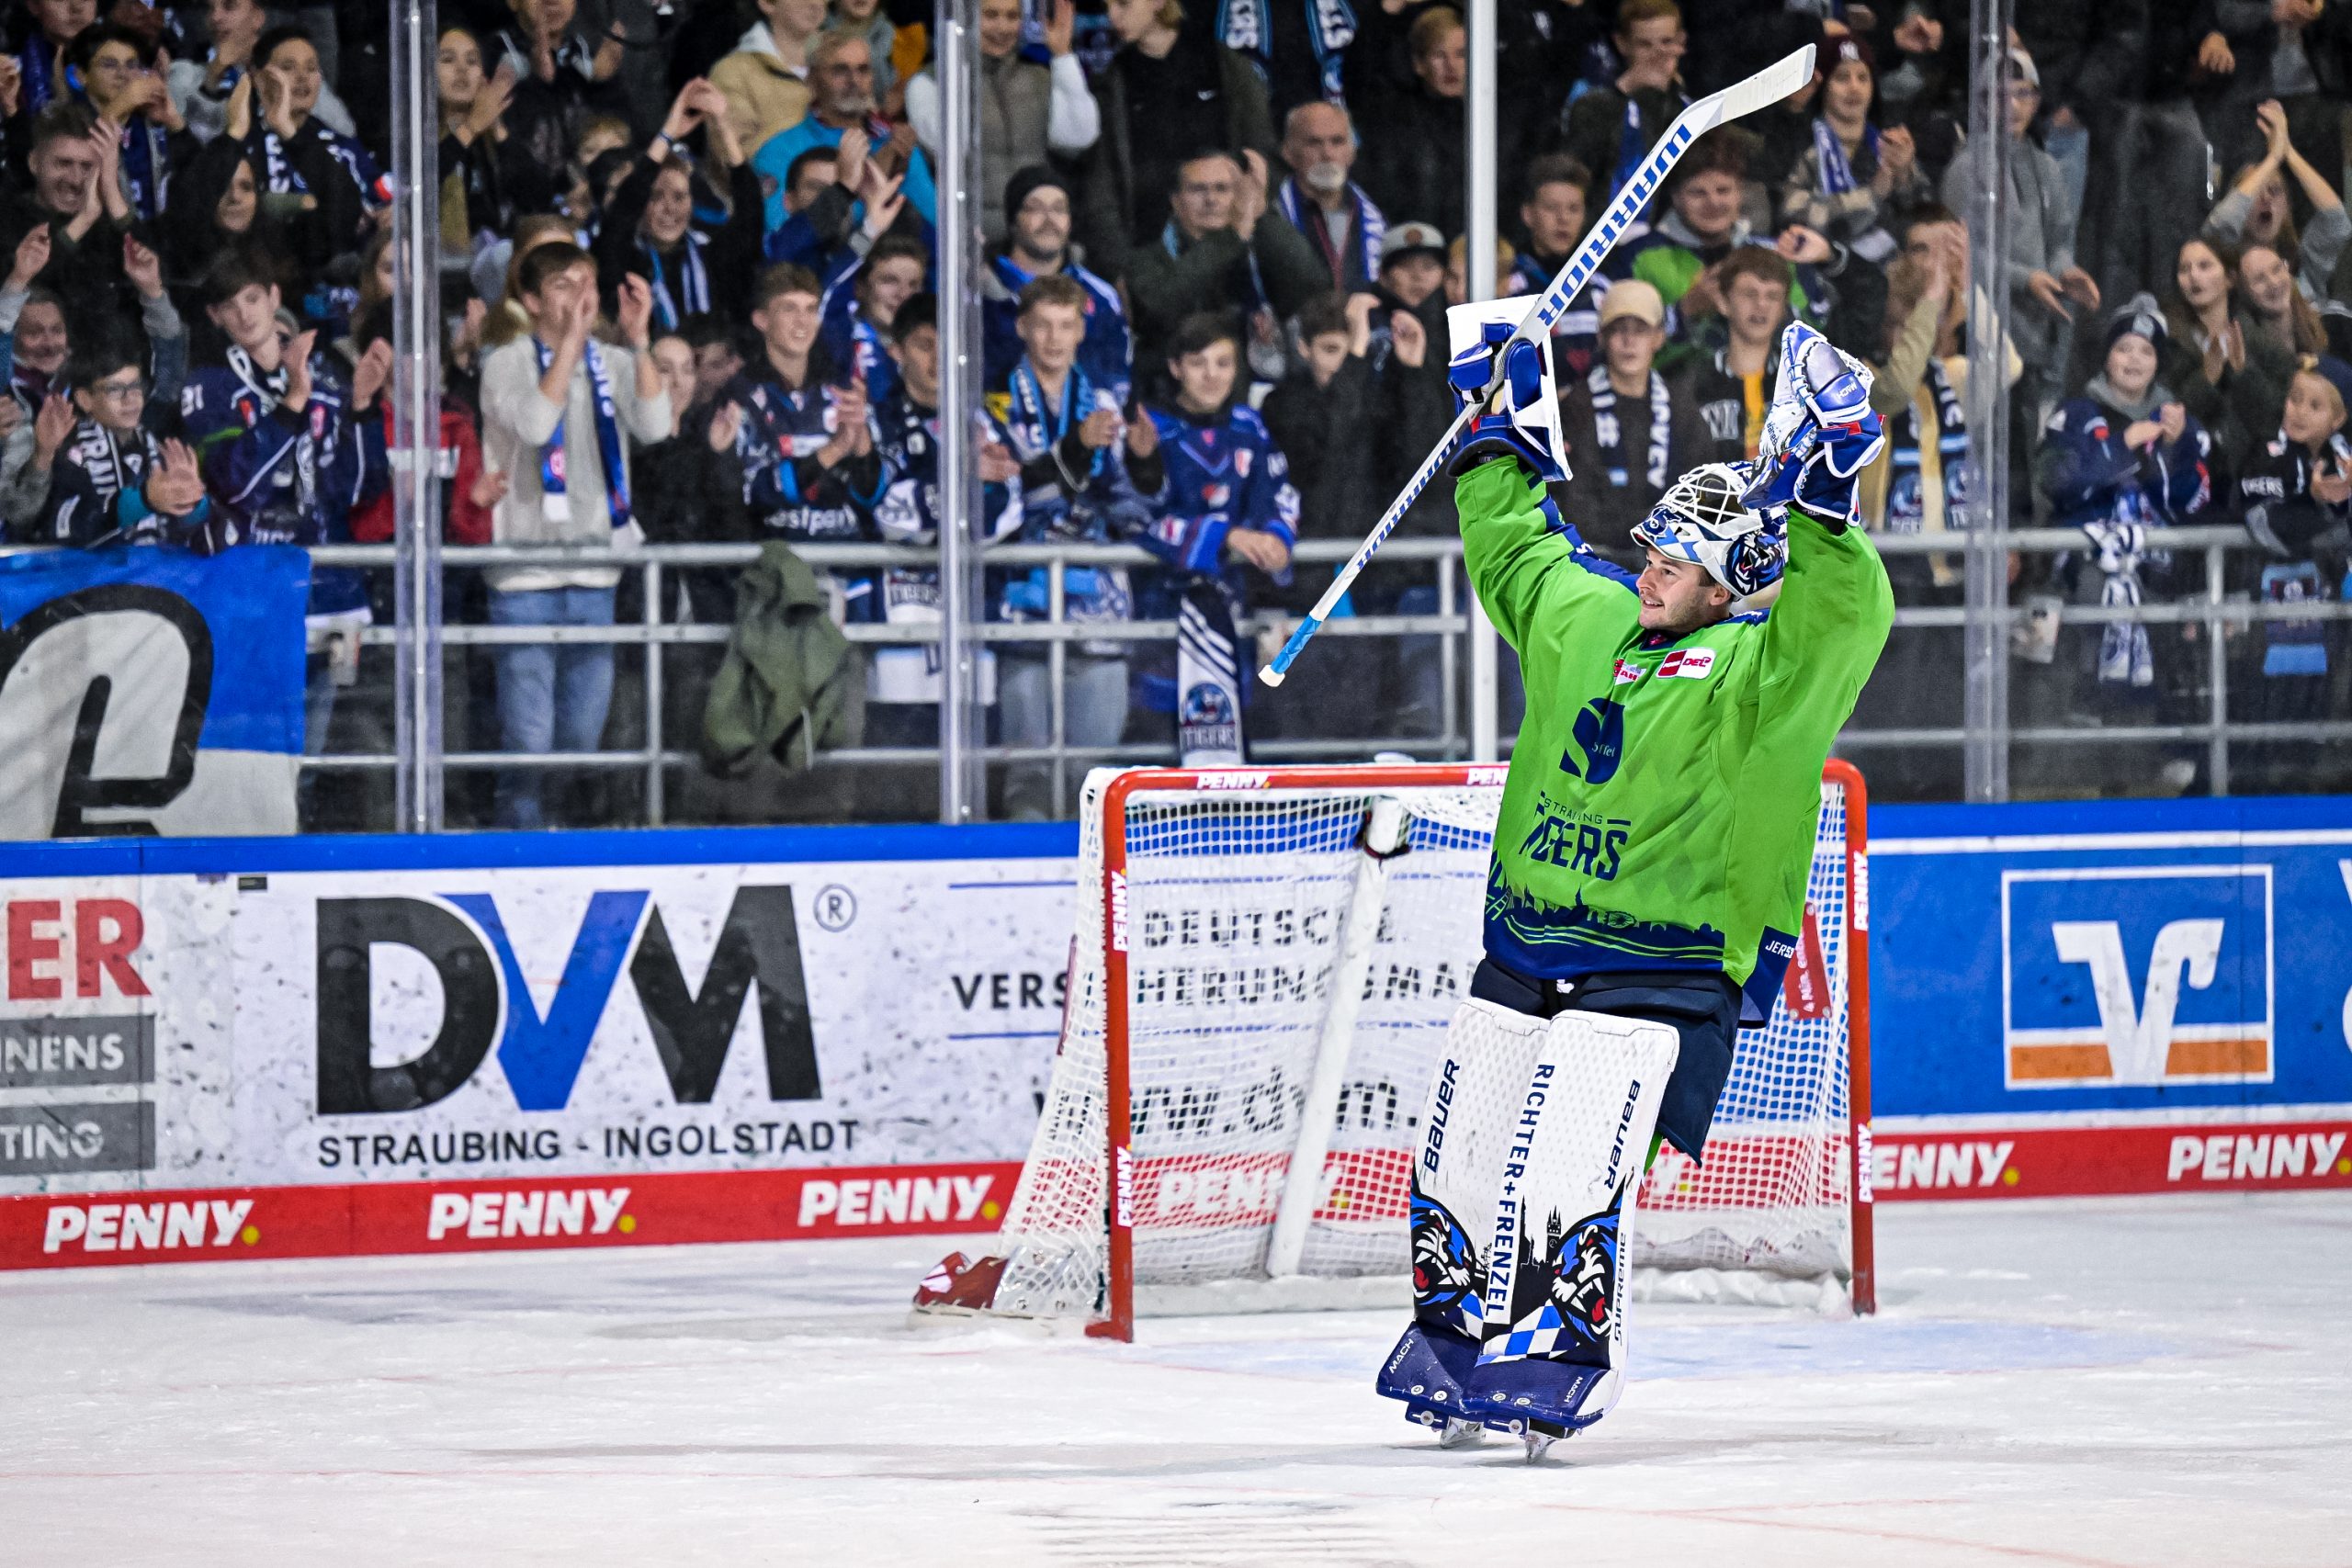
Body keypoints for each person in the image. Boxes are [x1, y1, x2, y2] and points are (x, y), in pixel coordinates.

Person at [1379, 315, 1889, 1454]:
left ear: (1737, 579)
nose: (1651, 563)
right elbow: (1518, 553)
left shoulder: (1762, 675)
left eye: (1680, 557)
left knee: (1572, 1150)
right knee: (1460, 1142)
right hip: (1526, 941)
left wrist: (1820, 506)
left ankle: (1565, 1352)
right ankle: (1456, 1333)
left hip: (1662, 965)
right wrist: (1500, 422)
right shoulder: (1593, 615)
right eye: (1652, 545)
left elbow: (1839, 617)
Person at [475, 242, 672, 829]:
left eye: (588, 281)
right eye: (563, 284)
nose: (580, 295)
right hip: (524, 573)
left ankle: (561, 848)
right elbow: (536, 425)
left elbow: (657, 427)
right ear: (531, 301)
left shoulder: (613, 361)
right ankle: (519, 847)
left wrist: (638, 344)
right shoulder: (504, 362)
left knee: (582, 737)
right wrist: (568, 349)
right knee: (530, 740)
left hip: (595, 570)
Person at [181, 249, 391, 764]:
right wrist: (293, 404)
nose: (245, 314)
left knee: (313, 756)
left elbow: (356, 488)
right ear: (214, 317)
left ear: (275, 298)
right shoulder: (209, 389)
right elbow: (235, 482)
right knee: (253, 757)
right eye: (229, 306)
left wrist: (362, 408)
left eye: (253, 298)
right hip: (251, 590)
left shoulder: (327, 383)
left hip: (327, 589)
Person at [987, 274, 1164, 818]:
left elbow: (1137, 503)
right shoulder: (994, 399)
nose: (1054, 339)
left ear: (1083, 330)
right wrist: (1075, 449)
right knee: (1030, 775)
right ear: (1022, 328)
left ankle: (1093, 886)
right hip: (1023, 598)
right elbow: (1010, 492)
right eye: (1042, 325)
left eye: (1066, 325)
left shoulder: (1110, 399)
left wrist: (1143, 461)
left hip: (1100, 599)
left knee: (1097, 773)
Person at [2036, 297, 2212, 751]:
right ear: (2106, 357)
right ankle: (2087, 735)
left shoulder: (2178, 423)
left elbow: (2193, 504)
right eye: (2124, 348)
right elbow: (2055, 481)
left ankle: (2165, 751)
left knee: (2167, 644)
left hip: (2158, 571)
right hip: (2087, 573)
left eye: (2146, 351)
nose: (2134, 359)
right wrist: (2123, 445)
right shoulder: (2076, 414)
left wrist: (2178, 451)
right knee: (2099, 602)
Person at [1132, 310, 1299, 761]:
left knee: (1236, 750)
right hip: (1159, 618)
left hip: (1235, 616)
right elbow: (1134, 518)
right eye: (1198, 363)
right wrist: (1224, 536)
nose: (1212, 375)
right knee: (1161, 757)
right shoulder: (1151, 430)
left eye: (1223, 363)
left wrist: (1278, 538)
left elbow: (1279, 495)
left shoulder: (1249, 427)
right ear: (1175, 367)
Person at [1079, 0, 1278, 270]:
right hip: (1150, 249)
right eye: (1108, 7)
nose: (1113, 18)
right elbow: (1101, 184)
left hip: (1228, 245)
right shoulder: (1112, 82)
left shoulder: (1223, 66)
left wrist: (1251, 217)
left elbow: (1259, 150)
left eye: (1123, 4)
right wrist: (1118, 267)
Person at [2233, 354, 2352, 789]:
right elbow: (2264, 524)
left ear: (2337, 420)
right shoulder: (2266, 452)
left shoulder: (2346, 463)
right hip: (2265, 616)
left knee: (2321, 705)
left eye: (2314, 405)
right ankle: (2257, 786)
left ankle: (2317, 781)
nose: (2299, 411)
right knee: (2262, 710)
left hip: (2327, 620)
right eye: (2294, 399)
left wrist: (2338, 503)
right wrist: (2321, 508)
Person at [1124, 149, 1326, 388]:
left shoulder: (1263, 247)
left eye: (1223, 189)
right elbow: (1160, 307)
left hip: (1259, 399)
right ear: (1176, 202)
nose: (1211, 200)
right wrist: (1230, 238)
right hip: (1171, 399)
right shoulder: (1145, 261)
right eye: (1198, 189)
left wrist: (1261, 215)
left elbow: (1313, 290)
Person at [904, 0, 1101, 242]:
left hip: (1033, 237)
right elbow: (954, 145)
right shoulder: (929, 82)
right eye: (991, 15)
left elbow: (1079, 136)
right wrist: (960, 56)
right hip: (965, 242)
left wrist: (1062, 55)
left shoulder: (1039, 78)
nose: (1002, 27)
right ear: (965, 18)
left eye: (1011, 16)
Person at [724, 261, 885, 547]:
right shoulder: (740, 395)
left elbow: (875, 497)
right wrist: (834, 450)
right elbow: (754, 493)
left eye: (811, 310)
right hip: (777, 565)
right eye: (789, 309)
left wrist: (861, 444)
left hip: (847, 561)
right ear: (762, 320)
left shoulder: (843, 393)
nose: (803, 321)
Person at [1558, 279, 1716, 563]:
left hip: (1670, 561)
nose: (1629, 342)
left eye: (1640, 330)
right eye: (1618, 329)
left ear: (1659, 337)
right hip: (1594, 562)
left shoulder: (1682, 410)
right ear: (1601, 337)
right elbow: (1576, 507)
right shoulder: (1575, 409)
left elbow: (1701, 496)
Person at [594, 80, 765, 332]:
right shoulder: (621, 259)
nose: (669, 208)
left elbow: (751, 212)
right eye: (655, 197)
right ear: (642, 202)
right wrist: (669, 131)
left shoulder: (715, 255)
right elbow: (624, 210)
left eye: (679, 197)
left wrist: (723, 126)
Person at [752, 28, 936, 241]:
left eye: (863, 70)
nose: (854, 80)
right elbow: (781, 235)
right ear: (812, 80)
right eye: (840, 70)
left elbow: (938, 234)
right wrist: (868, 179)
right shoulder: (777, 151)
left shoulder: (895, 146)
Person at [26, 335, 209, 547]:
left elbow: (188, 531)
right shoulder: (66, 448)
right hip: (90, 577)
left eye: (135, 386)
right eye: (114, 389)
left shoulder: (155, 444)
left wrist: (192, 500)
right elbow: (65, 528)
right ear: (86, 399)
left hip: (153, 572)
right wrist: (143, 501)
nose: (130, 398)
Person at [981, 165, 1130, 398]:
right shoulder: (982, 288)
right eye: (1036, 209)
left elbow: (1116, 376)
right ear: (1013, 221)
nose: (1049, 220)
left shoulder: (1100, 295)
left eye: (1059, 210)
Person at [1777, 36, 1922, 268]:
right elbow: (1792, 213)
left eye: (1863, 78)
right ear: (1824, 87)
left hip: (1891, 275)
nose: (1854, 87)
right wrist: (1871, 195)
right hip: (1822, 272)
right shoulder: (1803, 143)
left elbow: (1920, 221)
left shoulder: (1889, 145)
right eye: (1842, 77)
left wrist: (1905, 176)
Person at [1555, 0, 1689, 219]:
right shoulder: (1592, 104)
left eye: (1666, 42)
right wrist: (1624, 91)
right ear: (1621, 44)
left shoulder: (1692, 108)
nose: (1657, 54)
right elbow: (1573, 172)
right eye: (1645, 45)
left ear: (1681, 42)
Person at [2207, 100, 2349, 305]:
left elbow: (2337, 221)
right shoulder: (2222, 267)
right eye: (2255, 192)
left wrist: (2287, 150)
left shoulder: (2304, 267)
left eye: (2275, 190)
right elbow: (2220, 224)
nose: (2266, 198)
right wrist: (2274, 157)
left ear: (2286, 208)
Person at [1354, 6, 1475, 240]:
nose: (1452, 66)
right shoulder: (1395, 120)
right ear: (1419, 63)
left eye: (1461, 54)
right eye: (1440, 55)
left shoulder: (1493, 121)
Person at [171, 0, 357, 145]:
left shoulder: (292, 75)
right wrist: (211, 81)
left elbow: (345, 133)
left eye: (229, 6)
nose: (215, 17)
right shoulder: (185, 76)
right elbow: (178, 152)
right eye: (209, 9)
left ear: (258, 18)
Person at [1686, 246, 1792, 462]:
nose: (1761, 305)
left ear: (1783, 309)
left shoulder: (1801, 384)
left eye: (1772, 296)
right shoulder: (1690, 385)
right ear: (1724, 303)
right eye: (1749, 294)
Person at [1506, 156, 1602, 378]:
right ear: (1528, 214)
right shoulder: (1505, 287)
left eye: (1574, 208)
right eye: (1551, 208)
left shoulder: (1601, 289)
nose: (1563, 219)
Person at [1274, 100, 1385, 293]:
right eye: (1314, 143)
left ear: (1351, 153)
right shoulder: (1271, 214)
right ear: (1288, 153)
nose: (1327, 154)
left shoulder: (1377, 218)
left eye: (1337, 142)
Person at [711, 0, 826, 152]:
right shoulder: (733, 72)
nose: (815, 3)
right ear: (767, 3)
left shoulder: (846, 61)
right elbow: (734, 156)